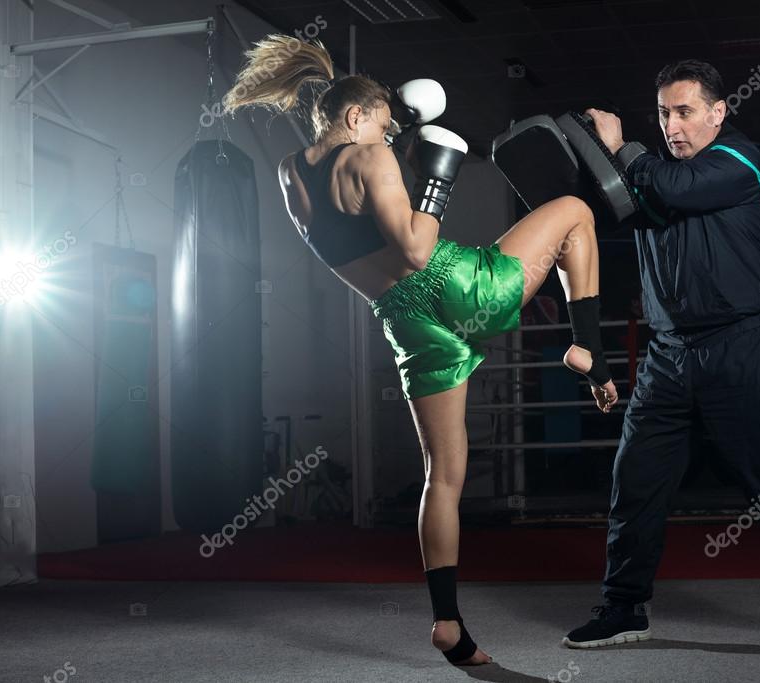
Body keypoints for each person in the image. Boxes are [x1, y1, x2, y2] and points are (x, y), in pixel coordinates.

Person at [222, 37, 618, 666]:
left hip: (406, 323)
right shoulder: (369, 153)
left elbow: (351, 241)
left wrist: (408, 156)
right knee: (572, 211)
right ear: (355, 118)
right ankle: (589, 351)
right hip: (455, 289)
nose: (388, 133)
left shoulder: (288, 172)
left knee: (444, 477)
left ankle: (448, 622)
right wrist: (438, 175)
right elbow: (413, 247)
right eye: (382, 121)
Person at [562, 59, 760, 651]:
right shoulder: (653, 176)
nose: (674, 124)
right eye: (665, 113)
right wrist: (586, 151)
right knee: (635, 482)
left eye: (686, 112)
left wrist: (625, 148)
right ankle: (623, 608)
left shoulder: (740, 161)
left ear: (719, 113)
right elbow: (594, 212)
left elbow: (676, 188)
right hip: (668, 356)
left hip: (741, 347)